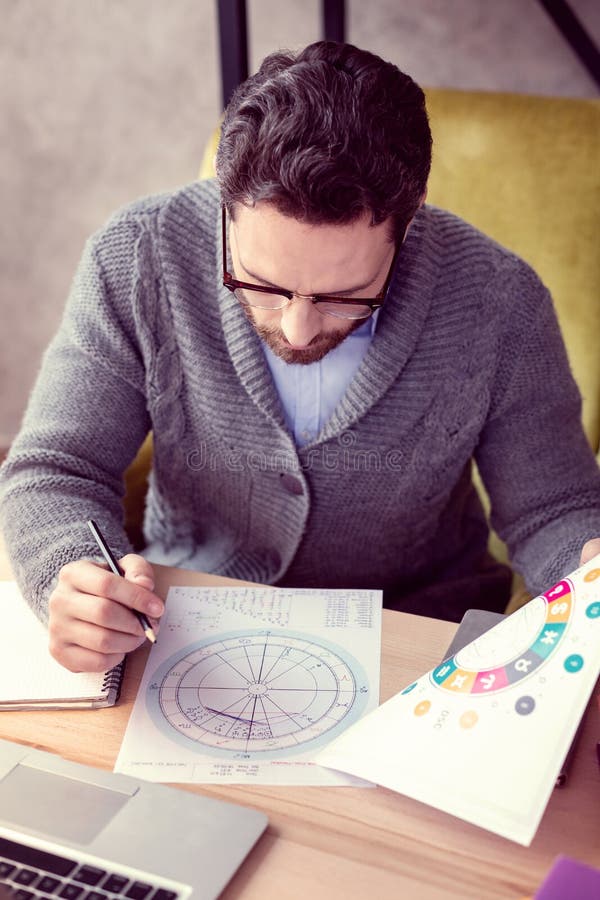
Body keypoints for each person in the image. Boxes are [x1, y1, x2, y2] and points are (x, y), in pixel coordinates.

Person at [1, 41, 599, 674]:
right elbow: (56, 468)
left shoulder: (501, 301)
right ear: (226, 204)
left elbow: (552, 510)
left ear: (409, 218)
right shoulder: (137, 257)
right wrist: (71, 573)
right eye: (260, 283)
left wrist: (587, 572)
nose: (297, 328)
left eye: (344, 296)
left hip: (420, 641)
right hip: (183, 626)